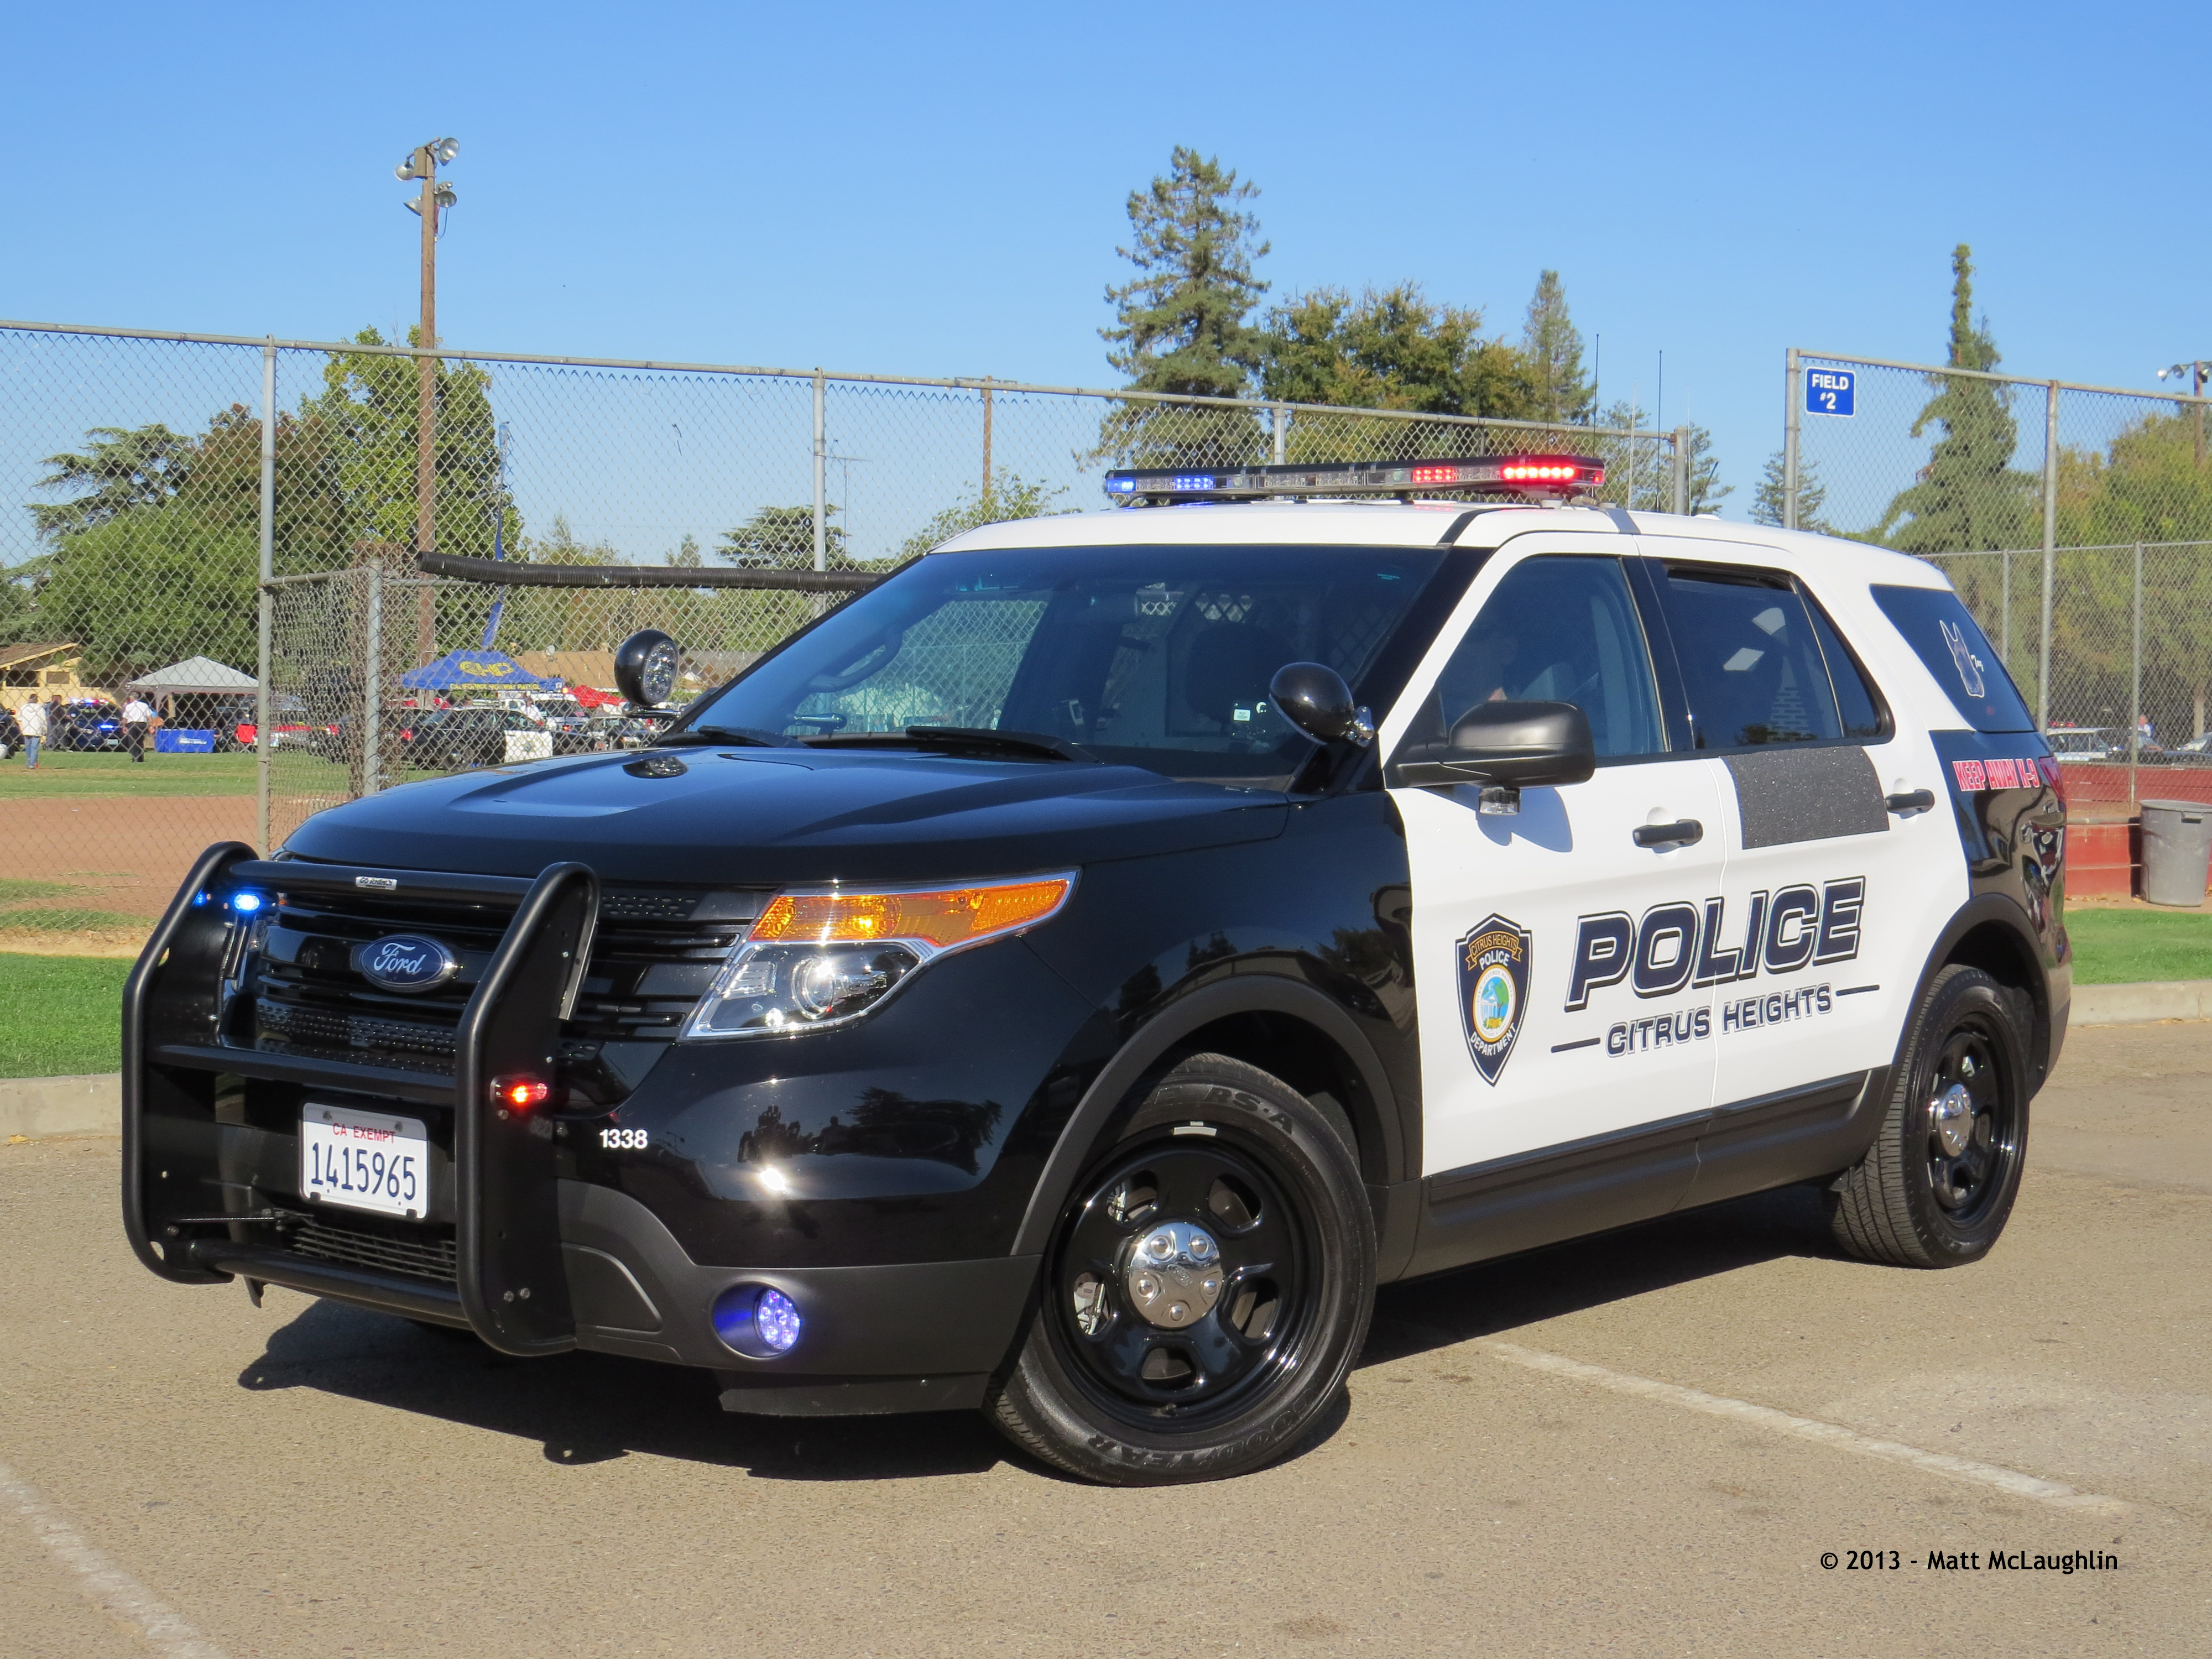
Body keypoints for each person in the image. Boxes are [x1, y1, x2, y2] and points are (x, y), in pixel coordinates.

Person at [122, 693, 155, 763]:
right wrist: (151, 725)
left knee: (133, 741)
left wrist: (124, 726)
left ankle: (135, 758)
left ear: (131, 698)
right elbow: (149, 717)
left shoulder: (129, 706)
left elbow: (125, 718)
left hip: (132, 724)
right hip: (142, 724)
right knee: (140, 741)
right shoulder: (145, 705)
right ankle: (140, 758)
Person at [17, 695, 47, 768]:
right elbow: (43, 720)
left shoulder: (24, 707)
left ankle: (29, 762)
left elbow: (19, 718)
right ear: (37, 700)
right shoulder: (40, 708)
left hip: (27, 729)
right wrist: (45, 730)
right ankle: (32, 764)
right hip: (37, 729)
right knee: (35, 748)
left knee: (28, 747)